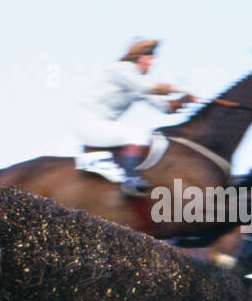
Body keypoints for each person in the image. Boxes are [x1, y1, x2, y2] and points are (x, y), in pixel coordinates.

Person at [77, 40, 197, 192]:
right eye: (151, 59)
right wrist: (181, 89)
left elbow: (165, 107)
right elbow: (147, 88)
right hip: (90, 124)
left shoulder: (136, 82)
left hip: (103, 125)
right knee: (137, 135)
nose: (152, 64)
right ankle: (130, 178)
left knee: (151, 139)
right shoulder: (120, 69)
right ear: (141, 58)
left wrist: (184, 100)